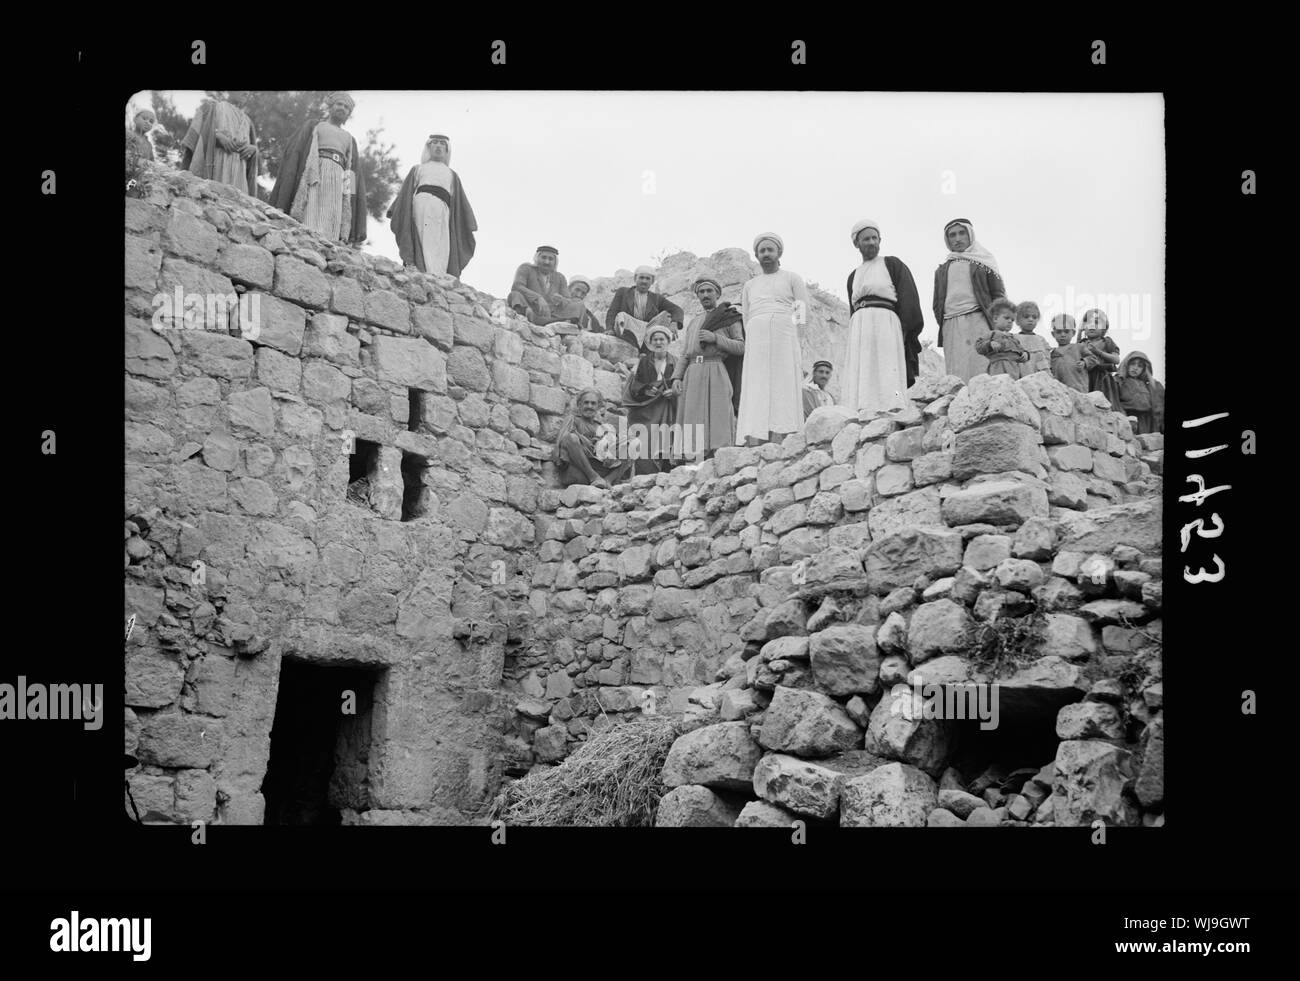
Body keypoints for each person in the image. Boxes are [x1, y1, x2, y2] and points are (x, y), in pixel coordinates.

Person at [842, 219, 923, 411]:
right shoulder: (853, 276)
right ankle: (861, 408)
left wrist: (904, 330)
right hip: (860, 326)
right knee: (863, 367)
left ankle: (892, 407)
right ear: (857, 244)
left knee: (888, 367)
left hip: (886, 322)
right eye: (866, 239)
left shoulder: (892, 264)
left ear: (880, 240)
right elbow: (852, 309)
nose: (871, 242)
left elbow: (908, 297)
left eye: (874, 238)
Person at [736, 233, 808, 445]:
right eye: (762, 251)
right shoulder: (750, 285)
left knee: (782, 382)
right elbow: (746, 315)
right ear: (757, 255)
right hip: (757, 337)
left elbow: (801, 310)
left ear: (779, 253)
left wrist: (798, 341)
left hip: (784, 334)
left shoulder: (791, 278)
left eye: (770, 250)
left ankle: (783, 435)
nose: (766, 254)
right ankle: (754, 438)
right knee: (757, 383)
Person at [270, 92, 367, 245]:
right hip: (316, 170)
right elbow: (296, 151)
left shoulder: (349, 138)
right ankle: (305, 240)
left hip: (339, 176)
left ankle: (330, 243)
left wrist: (350, 196)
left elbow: (352, 171)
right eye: (339, 104)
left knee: (333, 212)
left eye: (347, 107)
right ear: (330, 107)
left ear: (349, 113)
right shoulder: (315, 126)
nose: (342, 108)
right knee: (312, 206)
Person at [671, 277, 745, 457]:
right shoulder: (694, 322)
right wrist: (676, 377)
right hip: (693, 372)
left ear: (717, 294)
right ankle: (693, 460)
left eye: (709, 291)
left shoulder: (729, 317)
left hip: (716, 369)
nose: (705, 295)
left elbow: (741, 347)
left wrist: (716, 339)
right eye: (701, 292)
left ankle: (719, 457)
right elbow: (686, 353)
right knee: (692, 417)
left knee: (718, 416)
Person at [387, 134, 476, 277]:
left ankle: (438, 274)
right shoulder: (418, 169)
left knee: (441, 242)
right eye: (435, 143)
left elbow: (460, 204)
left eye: (442, 144)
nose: (439, 146)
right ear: (429, 147)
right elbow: (405, 193)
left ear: (447, 150)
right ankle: (419, 269)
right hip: (421, 206)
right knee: (422, 237)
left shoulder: (452, 175)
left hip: (442, 210)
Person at [933, 218, 1008, 382]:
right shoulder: (942, 270)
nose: (957, 238)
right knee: (956, 372)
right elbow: (937, 303)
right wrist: (944, 324)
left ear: (970, 235)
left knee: (981, 368)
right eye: (952, 235)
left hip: (978, 319)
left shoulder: (984, 262)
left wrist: (1000, 324)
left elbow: (999, 296)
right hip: (951, 324)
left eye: (962, 233)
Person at [624, 323, 680, 472]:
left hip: (668, 408)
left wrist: (673, 392)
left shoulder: (676, 363)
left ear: (668, 342)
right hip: (647, 408)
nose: (658, 343)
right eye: (655, 339)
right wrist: (647, 389)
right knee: (645, 439)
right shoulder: (643, 362)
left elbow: (681, 385)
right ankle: (646, 474)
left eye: (662, 339)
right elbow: (635, 385)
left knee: (668, 437)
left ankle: (667, 472)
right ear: (650, 343)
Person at [553, 389, 635, 489]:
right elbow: (562, 440)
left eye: (593, 403)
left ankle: (608, 480)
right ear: (579, 405)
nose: (589, 406)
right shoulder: (573, 419)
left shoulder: (602, 426)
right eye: (586, 403)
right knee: (570, 438)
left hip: (602, 466)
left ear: (598, 407)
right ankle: (593, 477)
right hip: (582, 468)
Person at [180, 91, 258, 195]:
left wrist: (253, 150)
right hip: (214, 175)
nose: (247, 93)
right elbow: (192, 142)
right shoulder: (210, 108)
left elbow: (254, 161)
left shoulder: (248, 122)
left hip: (239, 182)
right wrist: (216, 136)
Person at [605, 266, 683, 350]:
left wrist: (674, 323)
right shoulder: (623, 292)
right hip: (628, 328)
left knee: (666, 315)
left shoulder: (656, 298)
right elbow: (612, 311)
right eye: (641, 278)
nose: (644, 281)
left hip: (647, 331)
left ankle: (650, 346)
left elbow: (677, 309)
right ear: (635, 279)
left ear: (652, 282)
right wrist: (609, 329)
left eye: (647, 279)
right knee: (621, 316)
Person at [506, 246, 586, 325]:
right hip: (530, 307)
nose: (546, 262)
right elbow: (517, 286)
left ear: (555, 262)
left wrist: (561, 300)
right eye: (543, 257)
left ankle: (549, 321)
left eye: (550, 259)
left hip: (552, 312)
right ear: (537, 258)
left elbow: (568, 299)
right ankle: (540, 319)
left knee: (579, 304)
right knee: (515, 295)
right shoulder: (526, 268)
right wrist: (537, 298)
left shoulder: (560, 277)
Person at [1079, 308, 1122, 408]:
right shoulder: (1081, 343)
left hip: (1102, 379)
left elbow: (1116, 360)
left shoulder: (1106, 342)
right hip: (1085, 378)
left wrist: (1098, 352)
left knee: (1104, 406)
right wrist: (1078, 334)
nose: (1092, 327)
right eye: (1088, 323)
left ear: (1104, 329)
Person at [975, 298, 1028, 375]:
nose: (1010, 321)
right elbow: (978, 346)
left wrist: (1025, 354)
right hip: (998, 369)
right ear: (995, 318)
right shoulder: (991, 334)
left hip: (1015, 370)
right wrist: (990, 344)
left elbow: (1021, 349)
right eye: (1006, 318)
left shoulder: (1013, 338)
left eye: (1012, 320)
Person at [1117, 351, 1165, 435]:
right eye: (1132, 364)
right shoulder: (1119, 382)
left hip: (1146, 422)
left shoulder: (1149, 386)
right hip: (1129, 418)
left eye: (1140, 366)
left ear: (1144, 369)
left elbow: (1158, 406)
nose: (1135, 368)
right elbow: (1115, 402)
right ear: (1126, 364)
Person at [1049, 315, 1089, 393]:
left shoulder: (1079, 347)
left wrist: (1085, 362)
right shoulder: (1051, 353)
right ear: (1053, 334)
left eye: (1066, 331)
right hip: (1059, 391)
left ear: (1073, 333)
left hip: (1078, 389)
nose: (1063, 335)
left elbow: (1092, 358)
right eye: (1059, 332)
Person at [1013, 300, 1052, 377]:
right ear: (1017, 320)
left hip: (1041, 376)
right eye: (1026, 316)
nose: (1030, 319)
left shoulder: (1041, 339)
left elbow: (1048, 358)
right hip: (1023, 375)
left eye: (1034, 317)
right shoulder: (1014, 339)